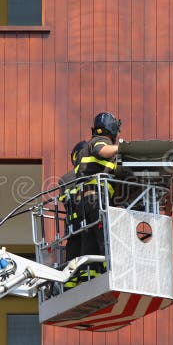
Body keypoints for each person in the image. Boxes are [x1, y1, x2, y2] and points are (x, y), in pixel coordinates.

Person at [75, 112, 122, 263]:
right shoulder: (100, 141)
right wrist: (120, 148)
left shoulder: (83, 151)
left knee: (90, 245)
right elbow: (101, 150)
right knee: (106, 241)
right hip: (97, 200)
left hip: (85, 202)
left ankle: (92, 273)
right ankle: (111, 268)